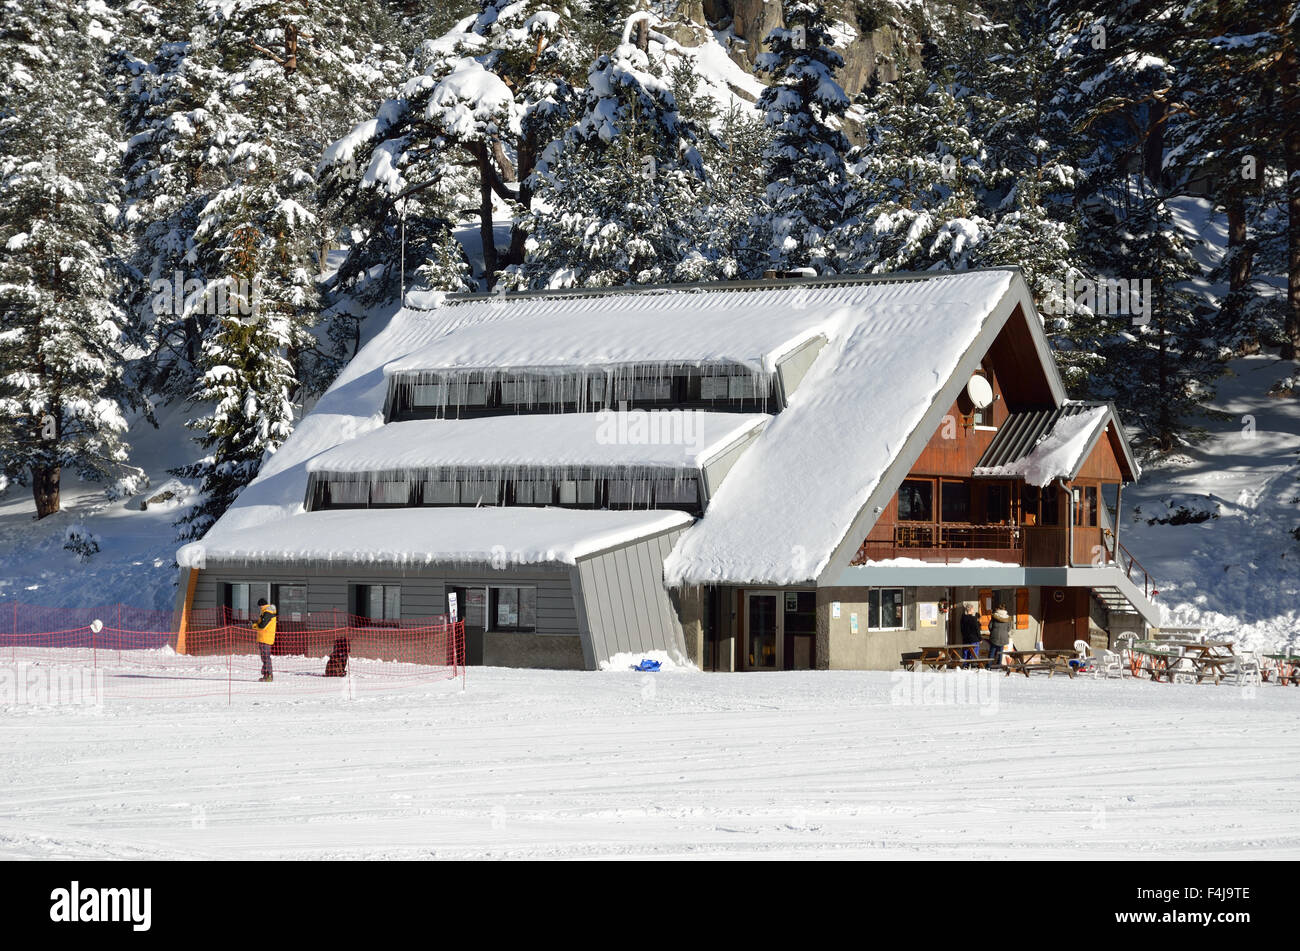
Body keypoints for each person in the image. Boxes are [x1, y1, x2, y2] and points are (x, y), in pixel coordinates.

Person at [253, 598, 277, 682]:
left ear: (261, 605)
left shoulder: (267, 612)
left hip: (265, 638)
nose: (260, 608)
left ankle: (269, 675)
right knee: (264, 657)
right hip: (264, 637)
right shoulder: (266, 612)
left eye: (260, 606)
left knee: (266, 657)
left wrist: (255, 626)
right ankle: (266, 675)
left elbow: (262, 625)